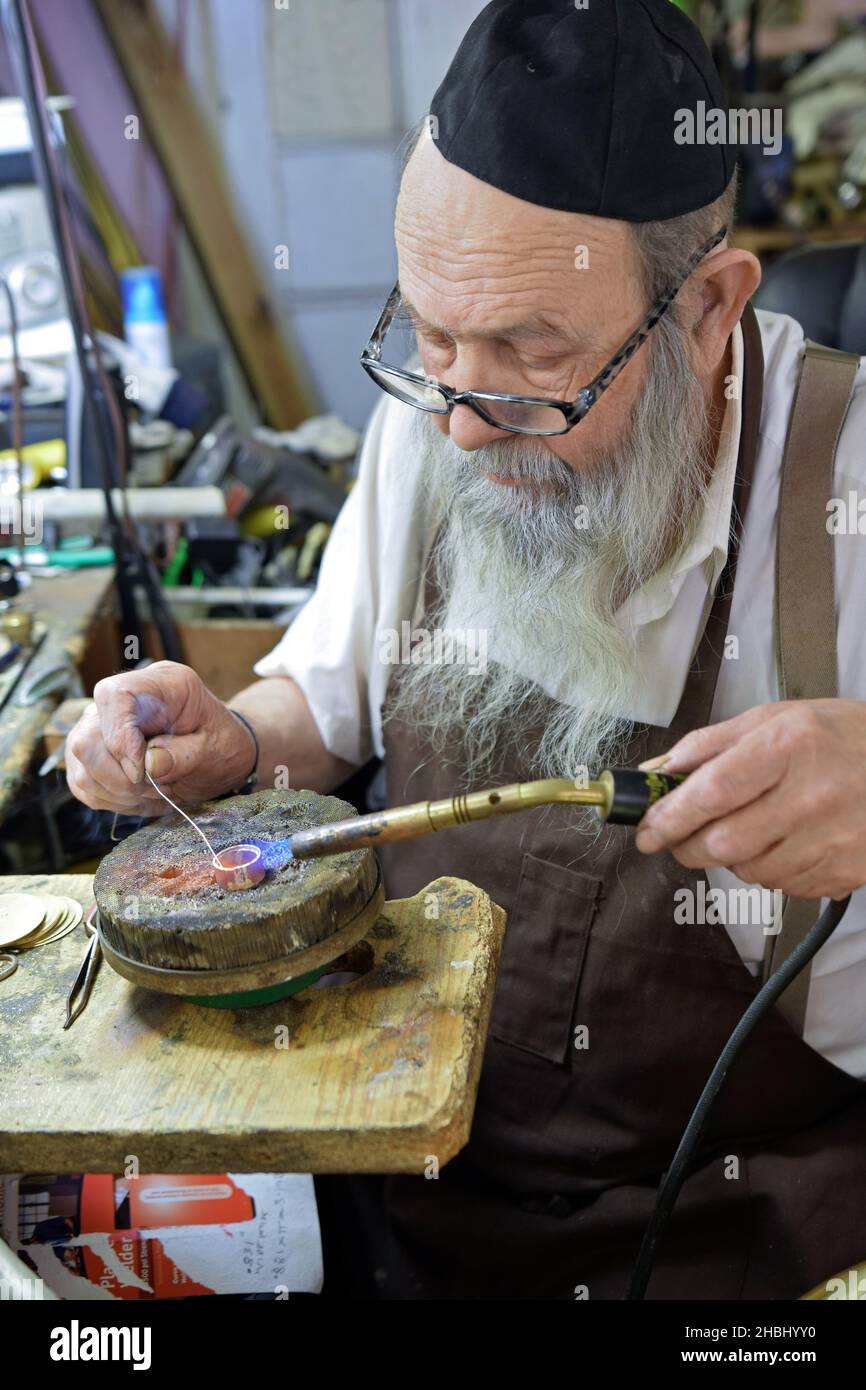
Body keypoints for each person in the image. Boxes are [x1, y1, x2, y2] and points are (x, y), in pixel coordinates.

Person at [67, 0, 866, 1298]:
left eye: (528, 363)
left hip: (735, 1250)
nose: (460, 433)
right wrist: (236, 737)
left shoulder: (849, 479)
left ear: (709, 308)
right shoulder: (442, 414)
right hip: (408, 1182)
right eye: (431, 343)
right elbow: (318, 707)